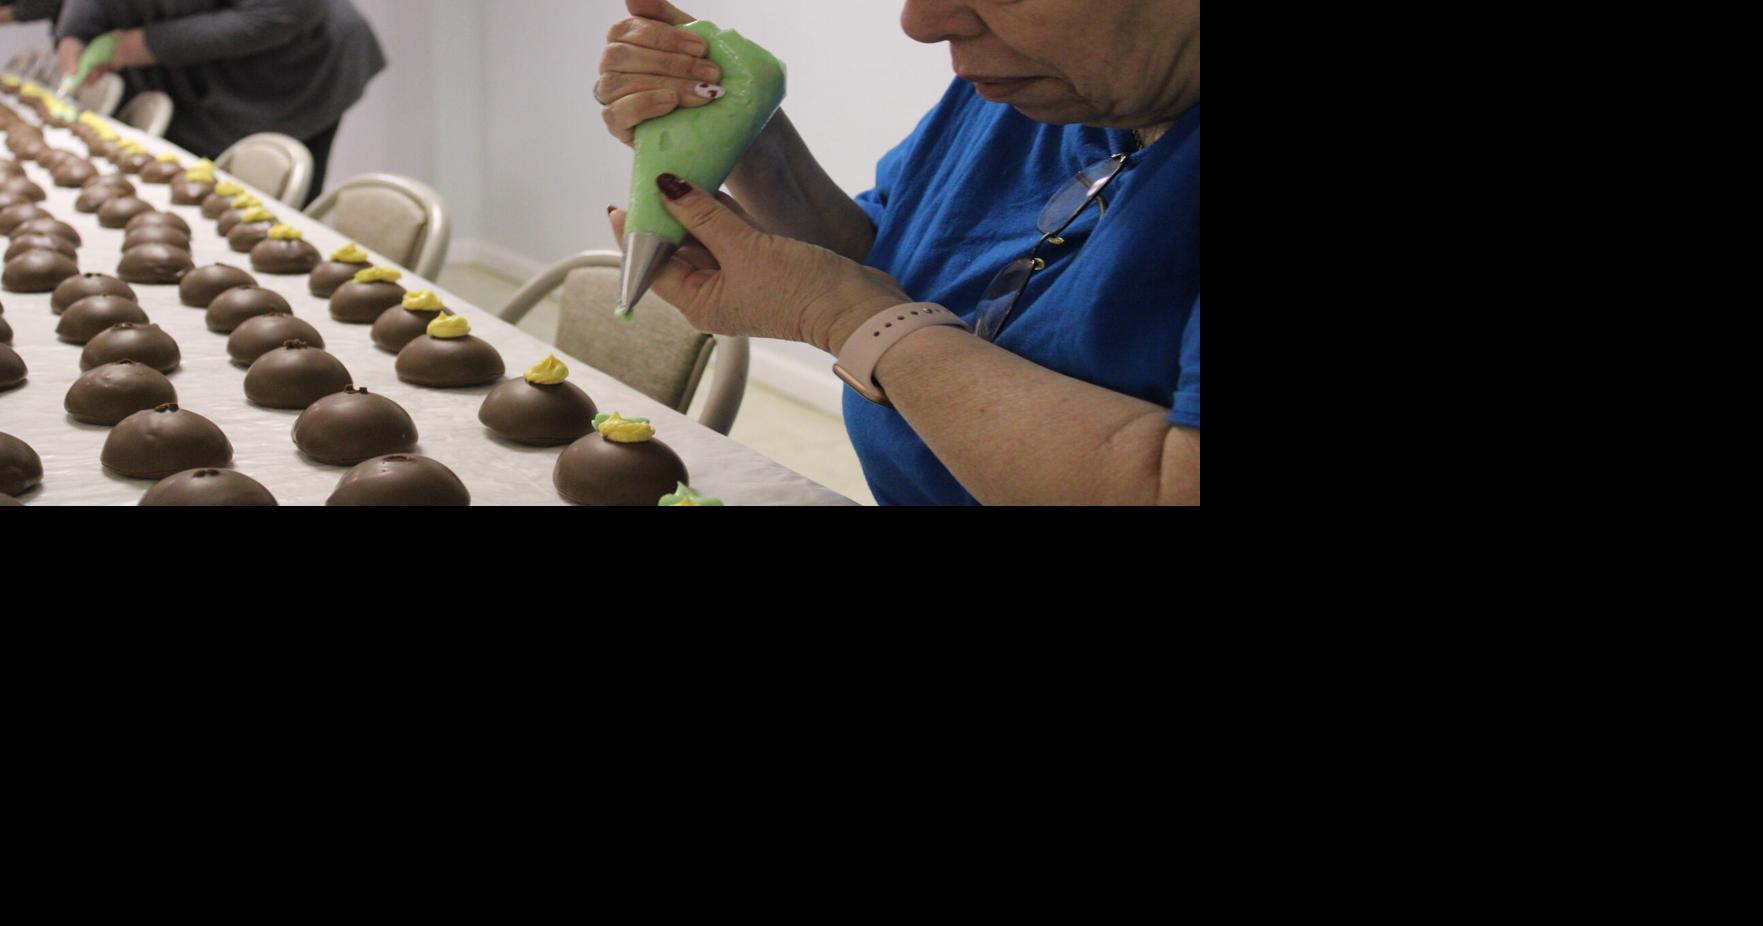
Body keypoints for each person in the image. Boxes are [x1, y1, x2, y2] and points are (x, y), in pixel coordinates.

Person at [598, 0, 1200, 506]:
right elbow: (896, 265)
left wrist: (844, 316)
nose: (921, 21)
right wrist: (747, 135)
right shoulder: (1043, 90)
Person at [27, 0, 384, 204]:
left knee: (273, 207)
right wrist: (74, 34)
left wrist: (139, 45)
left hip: (293, 68)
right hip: (195, 70)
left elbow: (275, 16)